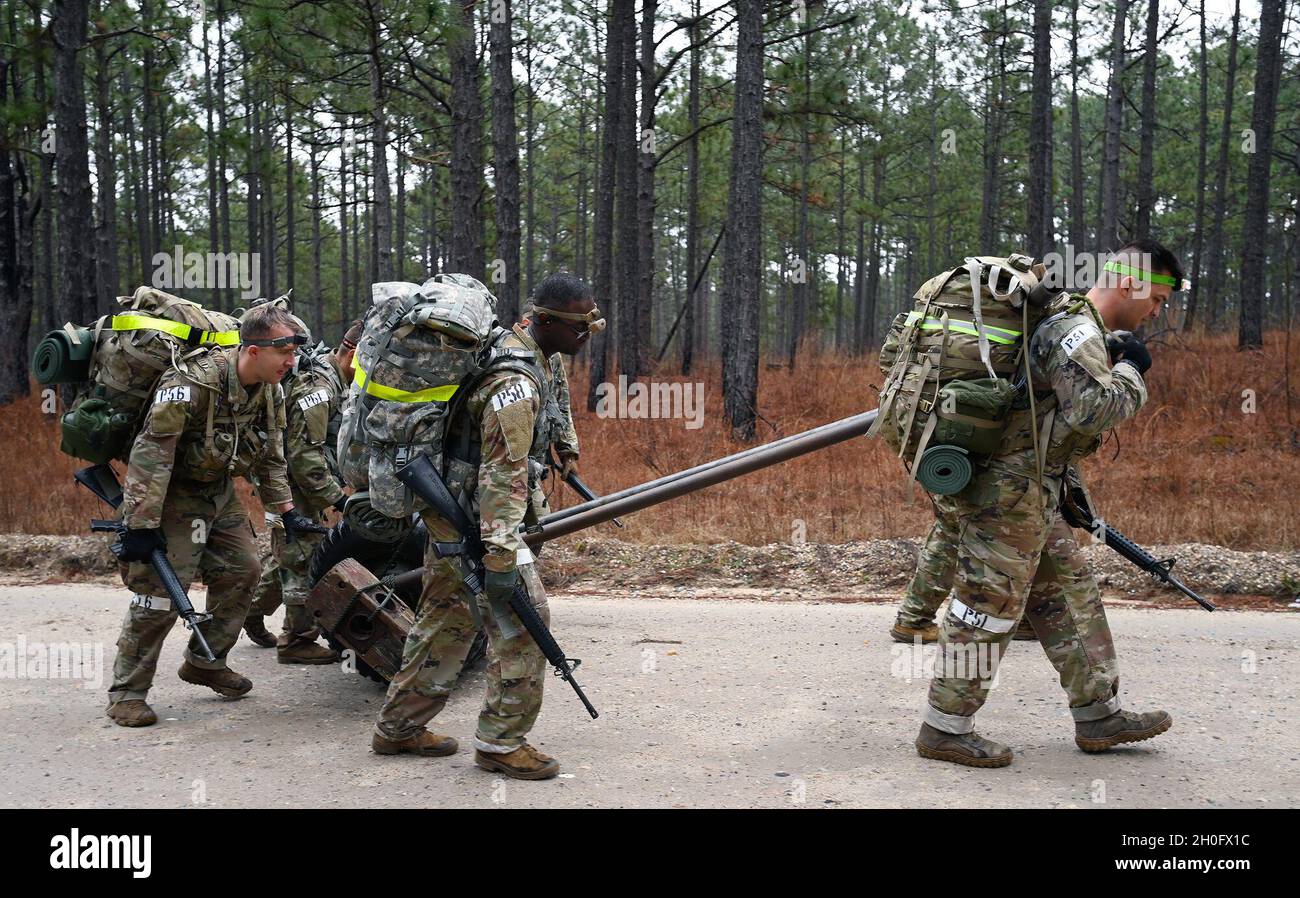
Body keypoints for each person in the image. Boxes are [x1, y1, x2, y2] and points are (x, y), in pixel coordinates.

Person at [914, 240, 1181, 767]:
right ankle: (943, 728)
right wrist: (1132, 370)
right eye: (1160, 297)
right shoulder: (1072, 327)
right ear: (1132, 282)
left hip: (1032, 490)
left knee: (1068, 595)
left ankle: (1099, 714)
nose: (1158, 310)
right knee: (987, 608)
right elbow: (1091, 410)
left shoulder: (1071, 323)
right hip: (1007, 495)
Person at [371, 273, 600, 780]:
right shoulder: (513, 383)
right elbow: (504, 471)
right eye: (581, 325)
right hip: (477, 519)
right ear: (543, 320)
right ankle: (500, 743)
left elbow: (556, 394)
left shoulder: (529, 350)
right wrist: (499, 553)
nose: (588, 334)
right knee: (524, 624)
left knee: (445, 621)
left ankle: (398, 728)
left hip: (451, 511)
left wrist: (565, 443)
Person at [105, 303, 325, 727]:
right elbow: (152, 454)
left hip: (217, 493)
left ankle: (206, 661)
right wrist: (141, 524)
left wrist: (287, 512)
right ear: (254, 351)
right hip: (168, 495)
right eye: (285, 352)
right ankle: (127, 692)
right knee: (159, 593)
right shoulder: (190, 382)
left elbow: (272, 458)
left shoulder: (272, 391)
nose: (292, 362)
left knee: (243, 571)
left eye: (295, 353)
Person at [244, 319, 364, 663]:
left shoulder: (333, 381)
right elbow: (303, 455)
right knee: (304, 556)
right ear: (353, 354)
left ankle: (251, 610)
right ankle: (296, 641)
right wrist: (336, 497)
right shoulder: (320, 387)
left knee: (291, 552)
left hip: (298, 481)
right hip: (290, 483)